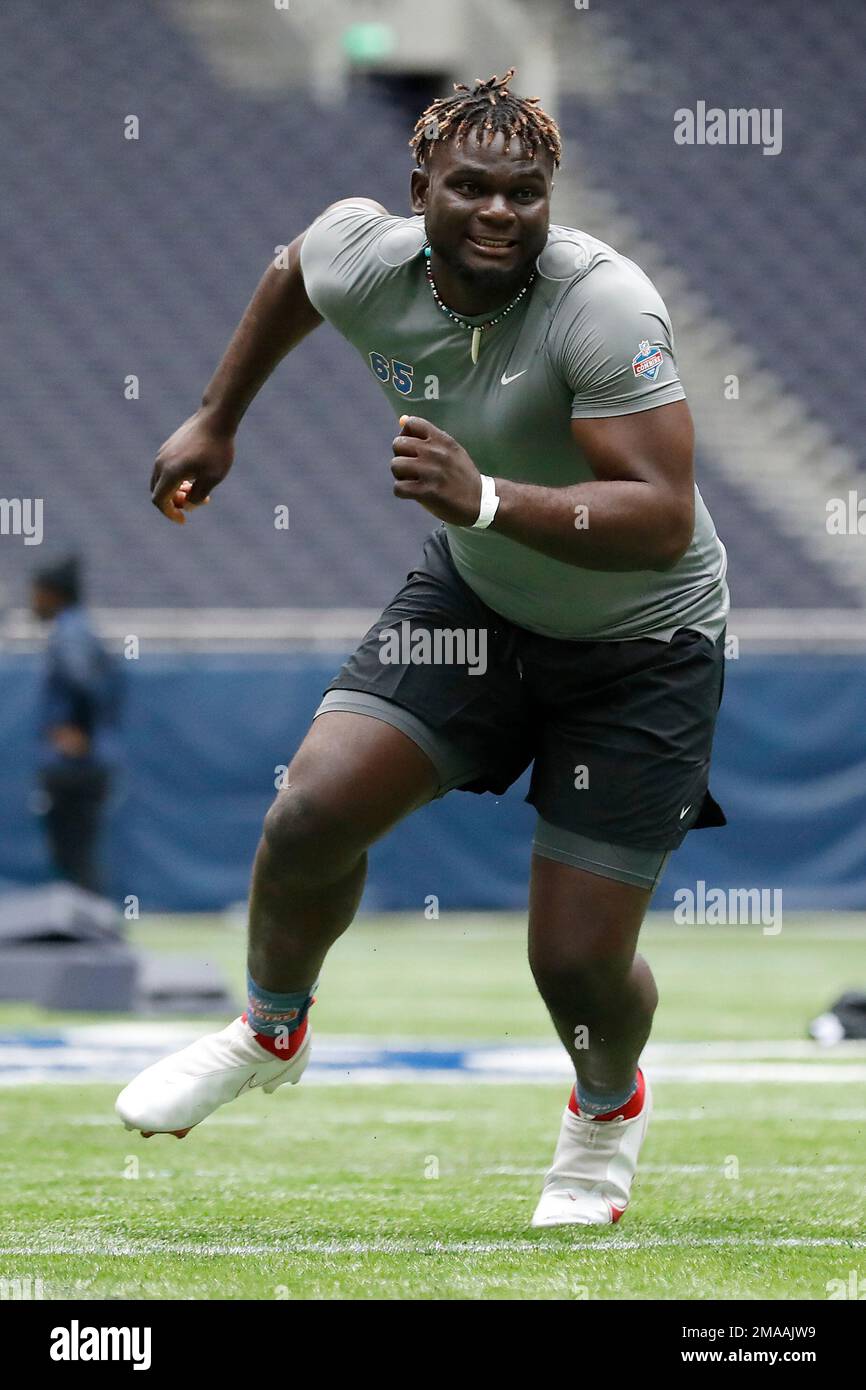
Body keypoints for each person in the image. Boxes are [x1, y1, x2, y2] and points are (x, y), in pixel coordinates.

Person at [117, 70, 729, 1227]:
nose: (499, 213)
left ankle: (604, 1114)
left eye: (524, 194)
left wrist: (487, 498)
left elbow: (657, 517)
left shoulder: (601, 306)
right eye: (472, 189)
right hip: (480, 606)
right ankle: (270, 1027)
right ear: (421, 191)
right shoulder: (364, 252)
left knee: (573, 963)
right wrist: (216, 416)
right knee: (310, 809)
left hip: (642, 642)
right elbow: (293, 269)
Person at [31, 557, 122, 895]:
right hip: (89, 762)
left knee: (74, 857)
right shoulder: (82, 629)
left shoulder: (69, 633)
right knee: (79, 855)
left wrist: (80, 730)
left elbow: (84, 681)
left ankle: (87, 935)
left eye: (37, 594)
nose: (33, 603)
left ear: (53, 594)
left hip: (75, 766)